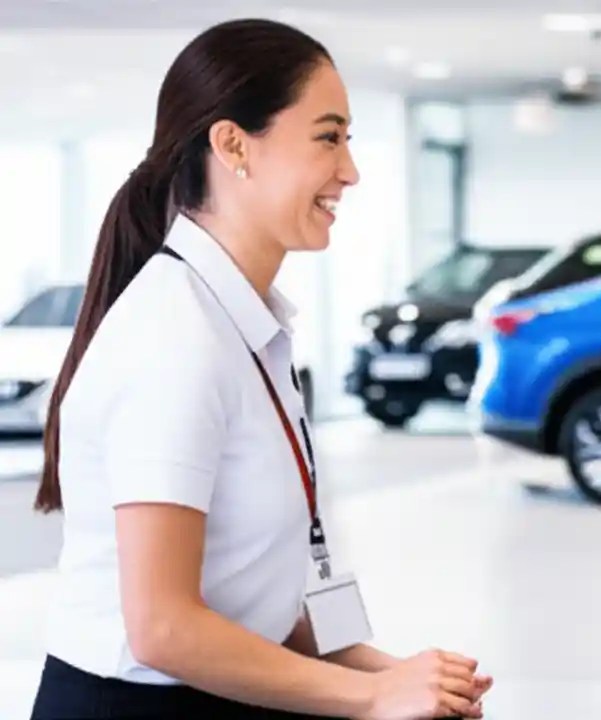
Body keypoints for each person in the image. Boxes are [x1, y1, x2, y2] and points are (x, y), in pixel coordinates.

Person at [29, 19, 491, 720]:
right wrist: (373, 695)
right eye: (328, 137)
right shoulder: (174, 338)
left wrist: (397, 675)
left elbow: (256, 593)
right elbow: (162, 628)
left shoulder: (243, 322)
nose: (350, 171)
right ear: (234, 145)